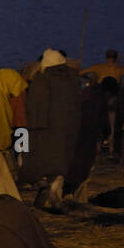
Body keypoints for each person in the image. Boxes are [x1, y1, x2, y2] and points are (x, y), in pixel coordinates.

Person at [19, 49, 83, 209]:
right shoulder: (73, 80)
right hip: (68, 128)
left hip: (45, 127)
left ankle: (50, 196)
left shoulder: (42, 80)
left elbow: (34, 106)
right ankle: (54, 195)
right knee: (61, 160)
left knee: (42, 159)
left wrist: (31, 127)